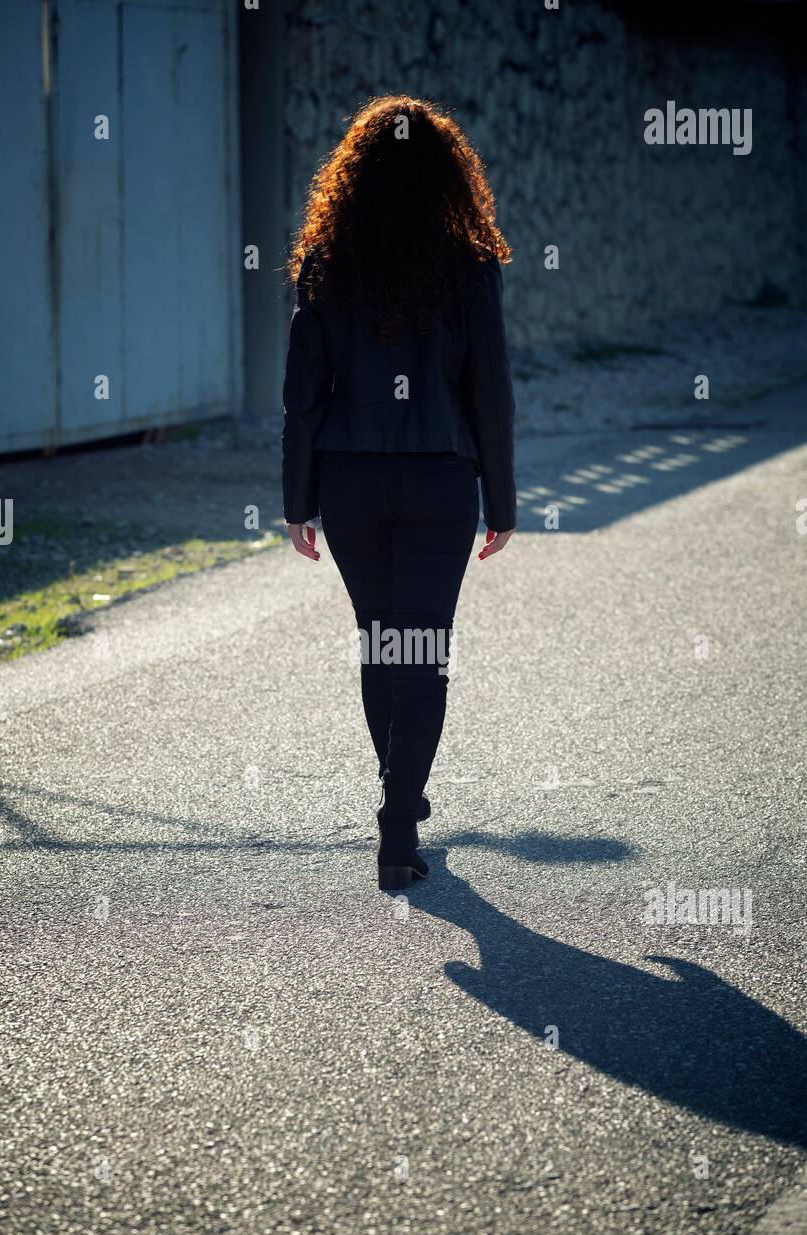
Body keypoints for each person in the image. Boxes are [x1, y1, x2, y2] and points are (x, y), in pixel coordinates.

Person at [282, 94, 516, 889]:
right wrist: (503, 503)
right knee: (423, 649)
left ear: (354, 176)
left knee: (381, 641)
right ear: (447, 175)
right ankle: (398, 815)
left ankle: (399, 797)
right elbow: (490, 394)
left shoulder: (326, 264)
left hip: (349, 479)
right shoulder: (469, 266)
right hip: (440, 480)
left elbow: (304, 397)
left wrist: (296, 500)